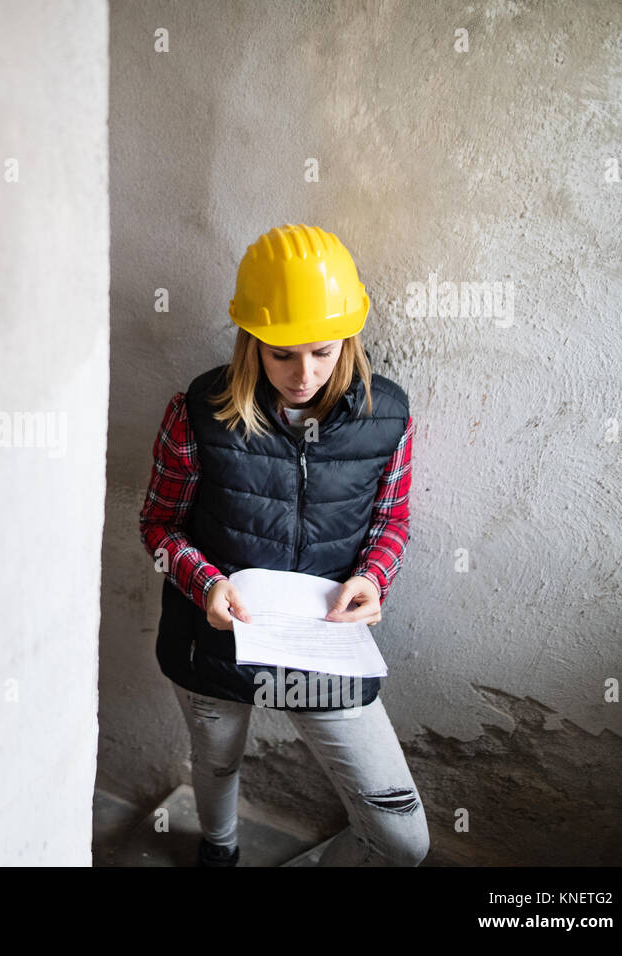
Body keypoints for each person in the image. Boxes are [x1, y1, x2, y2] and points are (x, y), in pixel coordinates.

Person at [139, 223, 429, 867]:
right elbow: (159, 525)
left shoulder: (390, 415)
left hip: (324, 645)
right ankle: (219, 853)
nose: (305, 375)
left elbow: (391, 522)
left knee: (404, 841)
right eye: (282, 354)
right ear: (251, 343)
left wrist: (373, 579)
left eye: (323, 353)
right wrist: (206, 583)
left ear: (349, 340)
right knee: (216, 764)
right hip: (211, 636)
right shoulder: (198, 411)